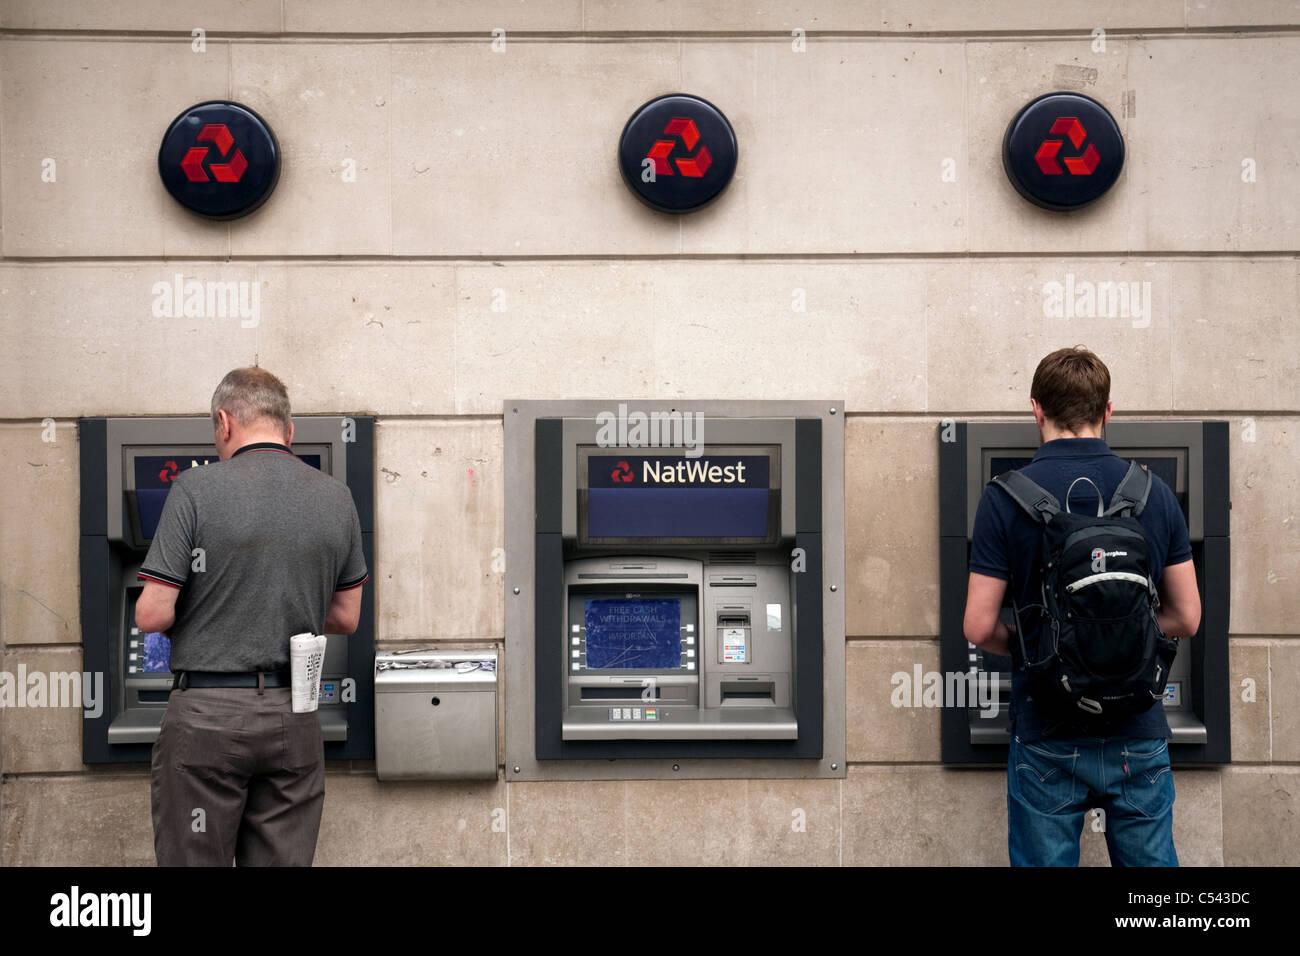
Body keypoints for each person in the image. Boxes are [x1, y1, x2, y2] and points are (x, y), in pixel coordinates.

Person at [963, 346, 1201, 867]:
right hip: (1138, 731)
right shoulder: (1154, 493)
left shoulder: (1003, 499)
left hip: (1046, 729)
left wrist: (1039, 648)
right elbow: (1186, 617)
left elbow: (979, 627)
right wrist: (1124, 636)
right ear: (1108, 411)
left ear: (1036, 409)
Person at [134, 367, 368, 866]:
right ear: (289, 431)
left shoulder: (195, 489)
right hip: (293, 715)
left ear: (224, 422)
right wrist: (282, 601)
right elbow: (347, 617)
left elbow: (153, 614)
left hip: (206, 719)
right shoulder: (336, 497)